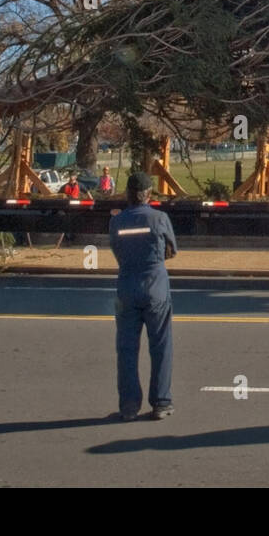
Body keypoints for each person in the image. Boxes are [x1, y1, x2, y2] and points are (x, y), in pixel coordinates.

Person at [108, 171, 177, 421]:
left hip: (127, 285)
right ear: (148, 194)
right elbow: (171, 251)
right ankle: (161, 402)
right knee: (160, 346)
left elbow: (117, 251)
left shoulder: (116, 222)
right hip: (155, 285)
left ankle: (128, 407)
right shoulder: (159, 218)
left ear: (128, 194)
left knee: (126, 348)